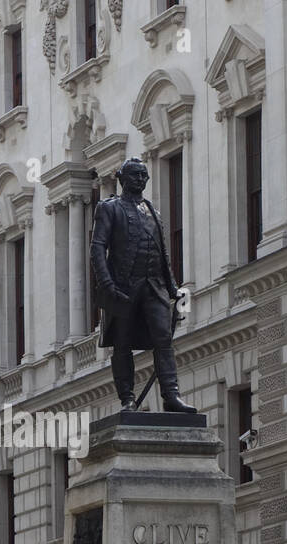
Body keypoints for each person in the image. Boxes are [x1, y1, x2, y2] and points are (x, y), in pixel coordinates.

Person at [89, 157, 196, 414]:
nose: (140, 180)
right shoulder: (109, 208)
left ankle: (171, 395)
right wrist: (107, 283)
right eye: (135, 175)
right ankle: (127, 398)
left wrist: (173, 289)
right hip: (124, 288)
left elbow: (162, 254)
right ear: (122, 178)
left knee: (163, 339)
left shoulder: (153, 211)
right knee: (122, 343)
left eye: (143, 175)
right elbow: (97, 248)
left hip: (153, 286)